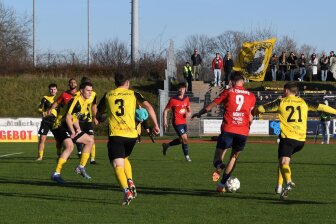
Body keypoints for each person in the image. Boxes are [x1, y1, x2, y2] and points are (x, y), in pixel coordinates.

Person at [254, 82, 336, 199]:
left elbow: (262, 108)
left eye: (284, 90)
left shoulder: (281, 101)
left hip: (288, 138)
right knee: (283, 161)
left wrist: (253, 112)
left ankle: (288, 181)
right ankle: (279, 186)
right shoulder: (304, 102)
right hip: (301, 140)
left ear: (286, 91)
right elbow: (322, 107)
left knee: (284, 162)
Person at [96, 73, 160, 206]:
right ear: (127, 83)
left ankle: (126, 191)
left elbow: (98, 113)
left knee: (117, 164)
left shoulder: (108, 94)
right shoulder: (133, 94)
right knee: (124, 158)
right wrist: (155, 125)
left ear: (115, 83)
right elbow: (149, 107)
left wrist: (100, 117)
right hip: (131, 136)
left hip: (116, 135)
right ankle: (130, 180)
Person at [191, 72, 256, 192]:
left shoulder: (228, 92)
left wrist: (199, 113)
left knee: (217, 157)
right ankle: (221, 185)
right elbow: (251, 118)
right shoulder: (251, 96)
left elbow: (210, 106)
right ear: (243, 80)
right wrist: (247, 127)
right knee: (234, 157)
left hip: (228, 129)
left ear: (231, 81)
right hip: (243, 131)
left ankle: (220, 166)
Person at [50, 81, 95, 184]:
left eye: (91, 91)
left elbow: (75, 118)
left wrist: (78, 129)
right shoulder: (76, 100)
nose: (90, 93)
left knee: (89, 141)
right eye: (88, 90)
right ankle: (56, 174)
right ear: (82, 90)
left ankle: (81, 167)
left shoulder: (85, 102)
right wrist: (72, 131)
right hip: (59, 125)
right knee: (70, 146)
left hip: (68, 125)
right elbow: (68, 118)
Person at [48, 78, 83, 157]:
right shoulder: (64, 94)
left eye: (74, 82)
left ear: (77, 84)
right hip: (64, 120)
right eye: (71, 82)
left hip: (75, 118)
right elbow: (57, 102)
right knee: (63, 139)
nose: (72, 84)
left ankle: (80, 152)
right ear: (68, 84)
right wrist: (51, 109)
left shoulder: (80, 94)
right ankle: (62, 152)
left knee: (77, 133)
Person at [162, 82, 192, 162]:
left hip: (184, 122)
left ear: (185, 89)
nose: (182, 90)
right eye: (180, 88)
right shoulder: (173, 100)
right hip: (177, 122)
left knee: (181, 140)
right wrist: (165, 121)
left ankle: (167, 145)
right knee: (185, 138)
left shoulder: (186, 98)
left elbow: (189, 110)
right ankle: (187, 156)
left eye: (183, 88)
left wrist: (188, 114)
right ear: (178, 89)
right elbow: (165, 111)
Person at [76, 77, 99, 164]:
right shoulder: (77, 94)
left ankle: (92, 159)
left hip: (88, 120)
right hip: (78, 120)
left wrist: (95, 117)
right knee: (79, 139)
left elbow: (93, 106)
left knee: (91, 138)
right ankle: (79, 153)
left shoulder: (93, 94)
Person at [36, 83, 60, 160]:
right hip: (46, 120)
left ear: (57, 90)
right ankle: (40, 156)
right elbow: (39, 108)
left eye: (54, 89)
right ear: (49, 90)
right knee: (42, 139)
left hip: (55, 121)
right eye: (51, 89)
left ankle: (59, 153)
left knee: (58, 139)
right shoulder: (45, 98)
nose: (52, 90)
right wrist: (41, 112)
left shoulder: (60, 98)